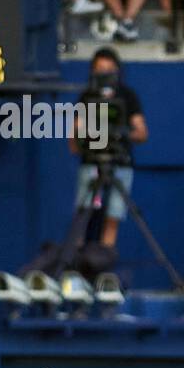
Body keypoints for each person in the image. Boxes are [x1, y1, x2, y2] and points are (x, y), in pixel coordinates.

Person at [70, 48, 148, 249]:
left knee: (113, 215)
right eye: (100, 69)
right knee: (83, 214)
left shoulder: (127, 96)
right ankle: (76, 265)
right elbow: (74, 135)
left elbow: (141, 132)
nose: (104, 73)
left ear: (117, 70)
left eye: (109, 69)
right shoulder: (87, 96)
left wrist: (120, 134)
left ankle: (103, 261)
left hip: (120, 163)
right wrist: (83, 140)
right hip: (91, 163)